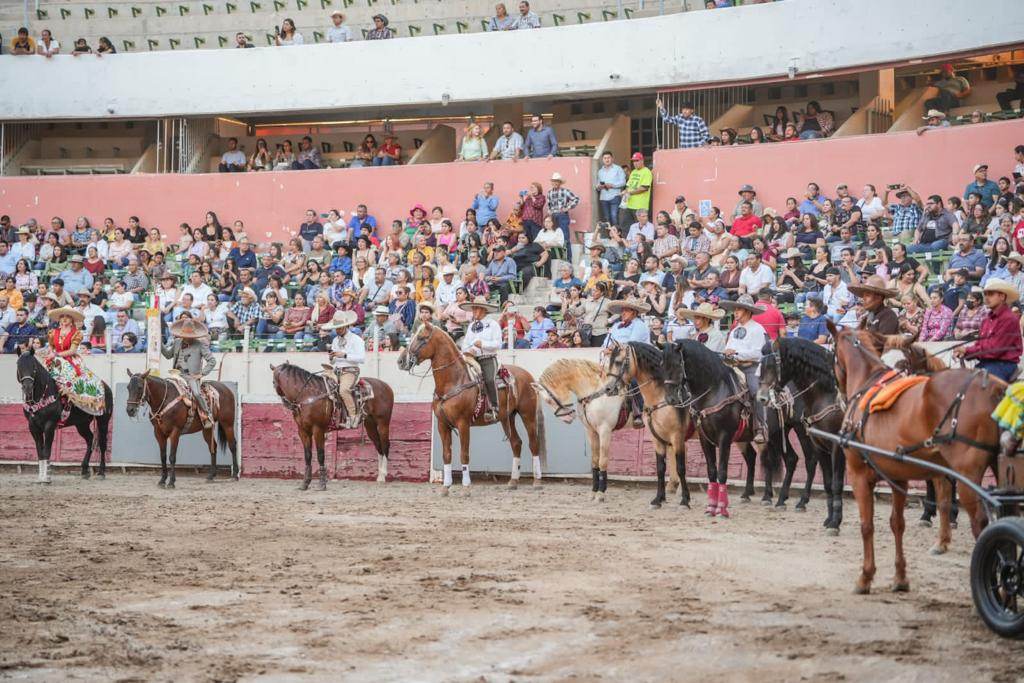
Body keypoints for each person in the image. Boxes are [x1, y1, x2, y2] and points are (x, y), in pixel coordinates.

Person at [720, 294, 769, 443]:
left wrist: (737, 354)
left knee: (756, 392)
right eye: (735, 309)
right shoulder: (735, 330)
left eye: (739, 309)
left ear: (748, 311)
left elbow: (758, 353)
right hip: (733, 366)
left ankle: (761, 427)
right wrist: (727, 352)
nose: (735, 312)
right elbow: (728, 347)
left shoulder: (758, 329)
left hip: (751, 367)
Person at [955, 279, 1022, 381]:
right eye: (985, 294)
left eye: (990, 294)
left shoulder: (1009, 319)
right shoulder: (986, 320)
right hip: (988, 363)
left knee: (976, 385)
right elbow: (980, 345)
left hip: (1003, 365)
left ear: (1002, 296)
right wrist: (965, 353)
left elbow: (994, 349)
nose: (986, 297)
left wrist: (966, 350)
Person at [602, 298, 651, 427]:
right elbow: (606, 341)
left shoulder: (640, 325)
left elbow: (632, 344)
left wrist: (614, 348)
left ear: (634, 312)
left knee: (631, 378)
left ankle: (638, 412)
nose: (623, 313)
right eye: (622, 310)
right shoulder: (615, 326)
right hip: (617, 359)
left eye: (626, 310)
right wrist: (606, 348)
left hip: (638, 359)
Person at [162, 317, 217, 428]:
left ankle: (207, 414)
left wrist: (201, 374)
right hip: (175, 374)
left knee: (196, 393)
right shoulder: (177, 342)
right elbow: (168, 355)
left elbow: (212, 361)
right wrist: (159, 345)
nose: (186, 338)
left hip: (191, 376)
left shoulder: (200, 345)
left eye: (188, 336)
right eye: (184, 336)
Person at [319, 310, 365, 428]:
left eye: (340, 328)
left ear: (346, 326)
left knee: (343, 390)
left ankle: (354, 415)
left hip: (350, 370)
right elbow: (334, 362)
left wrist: (343, 355)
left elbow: (361, 358)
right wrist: (332, 358)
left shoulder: (356, 340)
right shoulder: (335, 340)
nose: (337, 330)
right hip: (337, 370)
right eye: (336, 328)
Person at [460, 296, 502, 422]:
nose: (474, 312)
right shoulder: (471, 325)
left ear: (484, 310)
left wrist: (482, 345)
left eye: (476, 309)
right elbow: (465, 344)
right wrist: (468, 350)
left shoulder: (493, 324)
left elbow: (498, 344)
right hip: (472, 359)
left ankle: (494, 407)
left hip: (488, 358)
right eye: (473, 309)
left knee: (489, 379)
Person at [596, 152, 627, 225]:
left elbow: (623, 182)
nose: (607, 160)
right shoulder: (600, 171)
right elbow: (598, 184)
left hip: (615, 196)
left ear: (612, 159)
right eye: (605, 158)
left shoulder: (618, 169)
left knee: (614, 216)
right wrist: (599, 187)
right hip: (603, 197)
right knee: (607, 218)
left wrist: (612, 185)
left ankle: (616, 235)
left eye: (608, 158)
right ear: (602, 159)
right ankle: (609, 235)